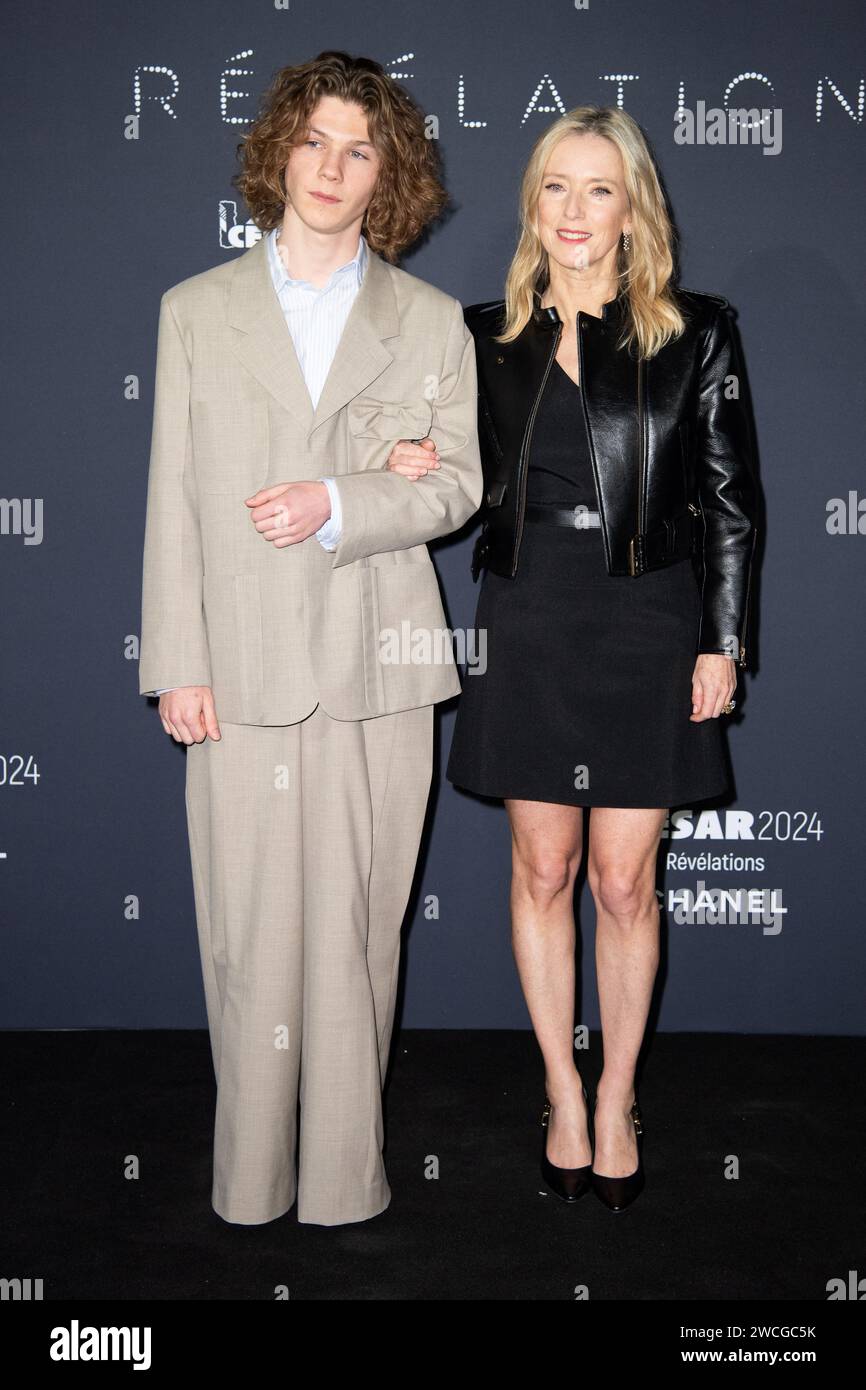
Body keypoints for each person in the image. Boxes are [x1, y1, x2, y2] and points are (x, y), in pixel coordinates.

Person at [386, 105, 757, 1211]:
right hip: (530, 618)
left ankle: (617, 1097)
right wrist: (415, 457)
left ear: (633, 205)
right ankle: (559, 1086)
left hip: (648, 622)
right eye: (556, 187)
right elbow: (451, 479)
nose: (575, 212)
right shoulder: (478, 333)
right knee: (541, 872)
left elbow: (733, 504)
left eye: (599, 189)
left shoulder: (696, 332)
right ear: (531, 204)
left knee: (621, 881)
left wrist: (720, 639)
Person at [138, 50, 483, 1226]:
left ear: (388, 172)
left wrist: (340, 498)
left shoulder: (432, 323)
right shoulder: (194, 310)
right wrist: (175, 660)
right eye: (314, 140)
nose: (332, 167)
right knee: (244, 940)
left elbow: (454, 491)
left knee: (355, 940)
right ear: (278, 148)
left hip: (376, 672)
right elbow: (171, 497)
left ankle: (344, 1183)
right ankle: (247, 1184)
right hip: (233, 670)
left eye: (359, 147)